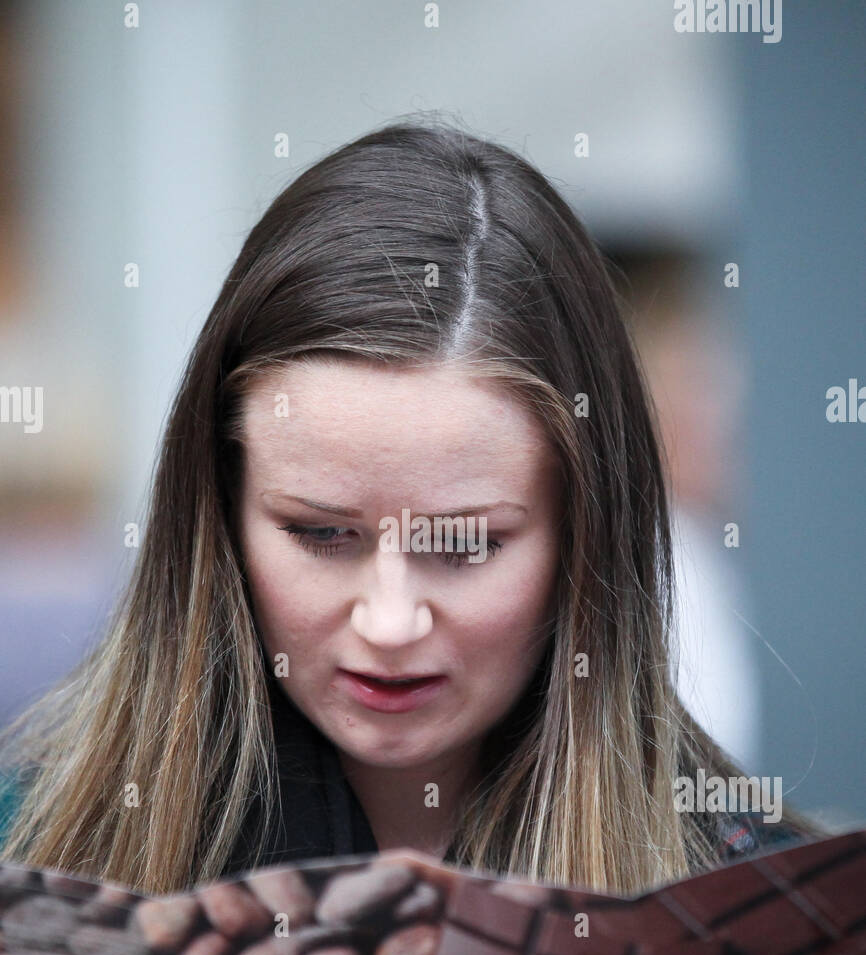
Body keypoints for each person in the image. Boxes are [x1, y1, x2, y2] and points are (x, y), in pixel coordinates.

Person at [0, 118, 820, 896]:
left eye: (463, 544)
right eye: (321, 534)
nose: (390, 625)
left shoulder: (778, 914)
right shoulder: (34, 857)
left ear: (586, 535)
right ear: (217, 516)